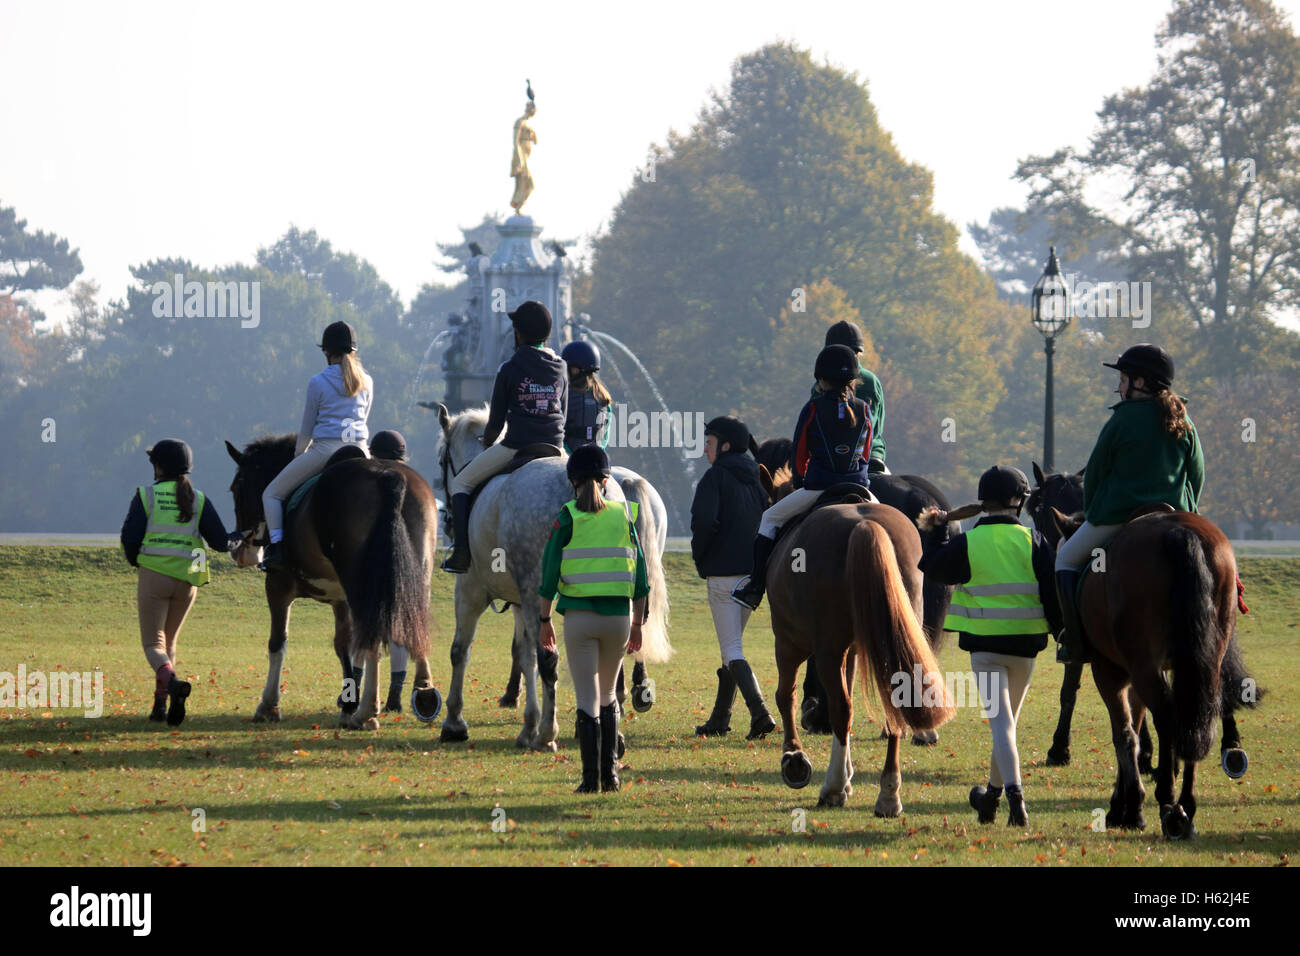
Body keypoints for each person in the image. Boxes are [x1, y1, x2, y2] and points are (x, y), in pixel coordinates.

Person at [918, 466, 1061, 827]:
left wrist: (936, 532)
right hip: (1026, 647)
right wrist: (1063, 635)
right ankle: (993, 797)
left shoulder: (968, 542)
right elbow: (1052, 596)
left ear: (984, 502)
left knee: (1001, 725)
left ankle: (1012, 798)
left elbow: (933, 569)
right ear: (1018, 501)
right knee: (1007, 725)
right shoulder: (1035, 541)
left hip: (984, 647)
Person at [1055, 344, 1204, 663]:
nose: (1119, 387)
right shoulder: (1183, 417)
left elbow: (1094, 475)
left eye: (1123, 379)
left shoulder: (1120, 421)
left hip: (1119, 516)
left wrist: (1094, 513)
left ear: (1140, 382)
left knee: (1065, 558)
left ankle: (1075, 639)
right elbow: (1197, 472)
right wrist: (1189, 513)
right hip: (1176, 517)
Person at [538, 446, 650, 793]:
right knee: (609, 697)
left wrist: (544, 620)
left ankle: (590, 781)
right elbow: (642, 576)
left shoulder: (567, 516)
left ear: (573, 482)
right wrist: (637, 624)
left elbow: (549, 574)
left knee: (586, 700)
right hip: (618, 619)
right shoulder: (624, 516)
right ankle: (611, 776)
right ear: (606, 480)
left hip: (579, 619)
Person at [732, 345, 872, 612]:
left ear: (821, 379)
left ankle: (755, 587)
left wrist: (801, 479)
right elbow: (864, 454)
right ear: (853, 380)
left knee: (769, 518)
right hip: (861, 488)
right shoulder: (864, 409)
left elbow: (799, 455)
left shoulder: (813, 408)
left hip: (819, 488)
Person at [120, 439, 239, 726]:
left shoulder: (146, 496)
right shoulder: (197, 498)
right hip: (188, 582)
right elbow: (221, 542)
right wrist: (241, 535)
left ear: (157, 467)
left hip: (154, 576)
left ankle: (172, 685)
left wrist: (138, 561)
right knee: (168, 644)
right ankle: (161, 706)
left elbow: (129, 538)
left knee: (152, 645)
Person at [442, 300, 567, 573]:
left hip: (518, 445)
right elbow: (563, 414)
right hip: (557, 448)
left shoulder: (508, 368)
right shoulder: (562, 367)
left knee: (462, 482)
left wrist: (487, 442)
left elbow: (496, 424)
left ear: (519, 333)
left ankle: (462, 553)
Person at [261, 321, 373, 570]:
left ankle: (277, 549)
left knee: (271, 493)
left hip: (326, 450)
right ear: (353, 350)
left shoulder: (318, 382)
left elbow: (307, 429)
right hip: (362, 452)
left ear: (326, 351)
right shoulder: (367, 381)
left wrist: (299, 455)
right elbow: (363, 419)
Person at [689, 416, 773, 739]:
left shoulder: (714, 478)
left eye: (709, 443)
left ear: (725, 446)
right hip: (752, 577)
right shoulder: (757, 477)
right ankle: (719, 720)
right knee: (730, 650)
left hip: (723, 576)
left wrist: (700, 557)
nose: (705, 449)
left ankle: (760, 713)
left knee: (732, 649)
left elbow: (704, 523)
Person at [369, 429, 412, 712]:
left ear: (373, 454)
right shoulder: (413, 483)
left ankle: (351, 692)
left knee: (363, 628)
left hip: (370, 563)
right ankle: (395, 693)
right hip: (406, 566)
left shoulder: (367, 483)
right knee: (399, 629)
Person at [817, 321, 888, 474]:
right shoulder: (871, 381)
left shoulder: (821, 382)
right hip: (870, 460)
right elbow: (875, 427)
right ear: (858, 352)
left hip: (826, 460)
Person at [560, 340, 612, 452]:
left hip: (570, 458)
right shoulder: (604, 398)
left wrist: (570, 454)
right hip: (597, 457)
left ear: (576, 370)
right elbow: (604, 437)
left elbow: (558, 433)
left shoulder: (564, 397)